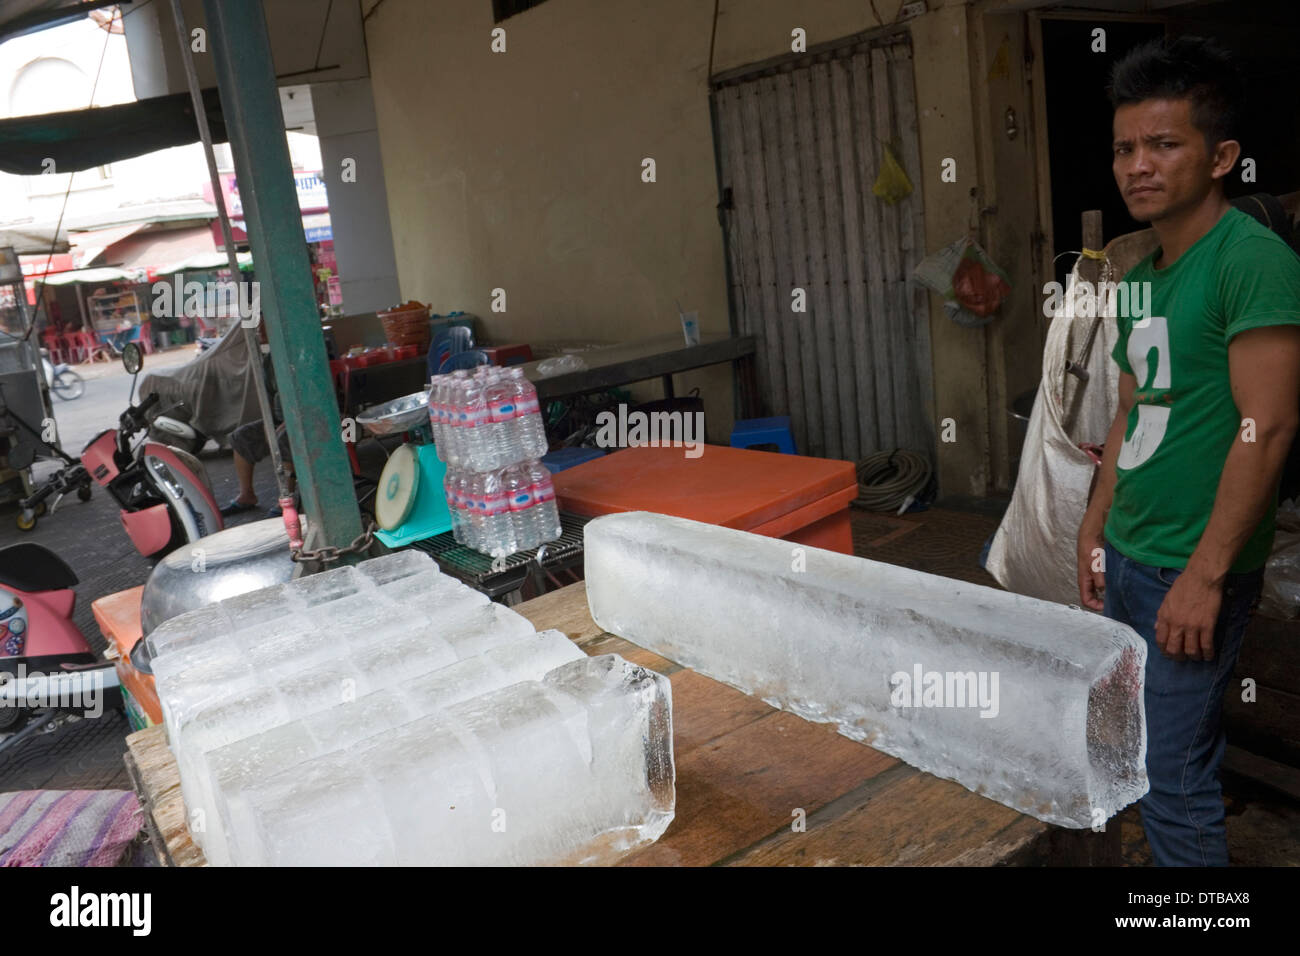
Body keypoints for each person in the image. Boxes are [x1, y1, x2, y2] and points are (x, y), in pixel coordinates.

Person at [1076, 37, 1300, 866]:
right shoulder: (1142, 277)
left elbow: (1269, 427)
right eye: (1124, 148)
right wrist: (1093, 526)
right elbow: (1130, 409)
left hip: (1190, 564)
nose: (1138, 165)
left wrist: (1205, 578)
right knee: (1126, 745)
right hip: (1128, 551)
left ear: (1221, 158)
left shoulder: (1253, 262)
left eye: (1164, 144)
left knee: (1173, 774)